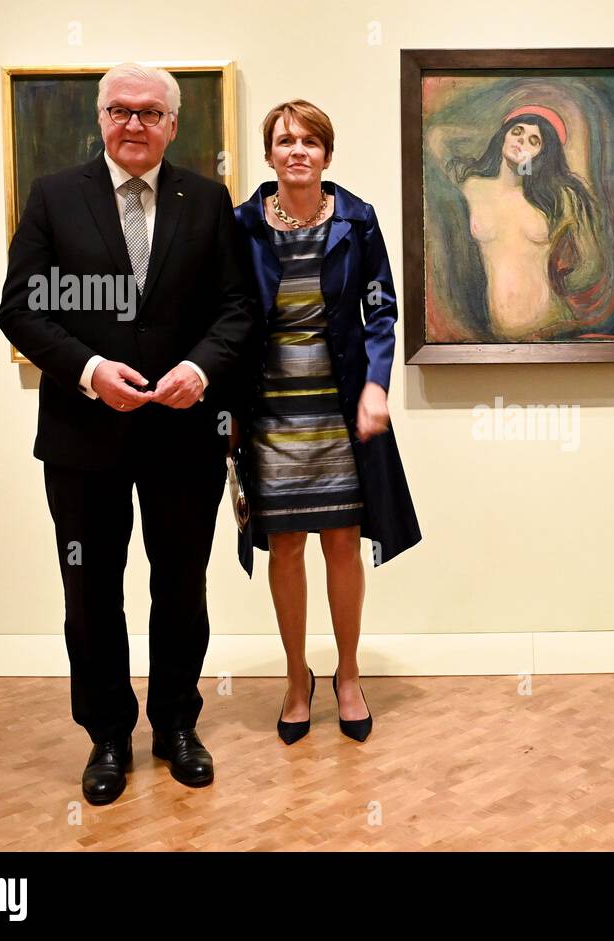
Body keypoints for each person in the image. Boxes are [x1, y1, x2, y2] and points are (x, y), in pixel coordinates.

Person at [0, 63, 258, 805]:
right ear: (101, 119)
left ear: (174, 124)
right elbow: (21, 309)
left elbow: (238, 310)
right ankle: (107, 735)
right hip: (85, 438)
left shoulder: (206, 202)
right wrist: (88, 370)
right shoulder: (54, 197)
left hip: (184, 436)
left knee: (180, 586)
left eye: (150, 112)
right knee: (90, 592)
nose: (134, 124)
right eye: (120, 110)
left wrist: (201, 371)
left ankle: (178, 723)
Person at [232, 100, 421, 746]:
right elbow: (227, 319)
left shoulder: (358, 220)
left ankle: (347, 674)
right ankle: (295, 678)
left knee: (342, 541)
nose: (298, 150)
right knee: (284, 547)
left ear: (327, 154)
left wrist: (377, 384)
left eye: (310, 140)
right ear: (269, 154)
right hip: (272, 416)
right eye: (285, 139)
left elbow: (382, 310)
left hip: (340, 410)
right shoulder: (243, 226)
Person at [440, 106, 604, 340]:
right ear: (503, 134)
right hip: (492, 332)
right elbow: (437, 137)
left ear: (543, 154)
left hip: (550, 327)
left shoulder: (558, 197)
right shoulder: (471, 188)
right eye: (517, 131)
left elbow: (590, 264)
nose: (521, 141)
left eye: (534, 140)